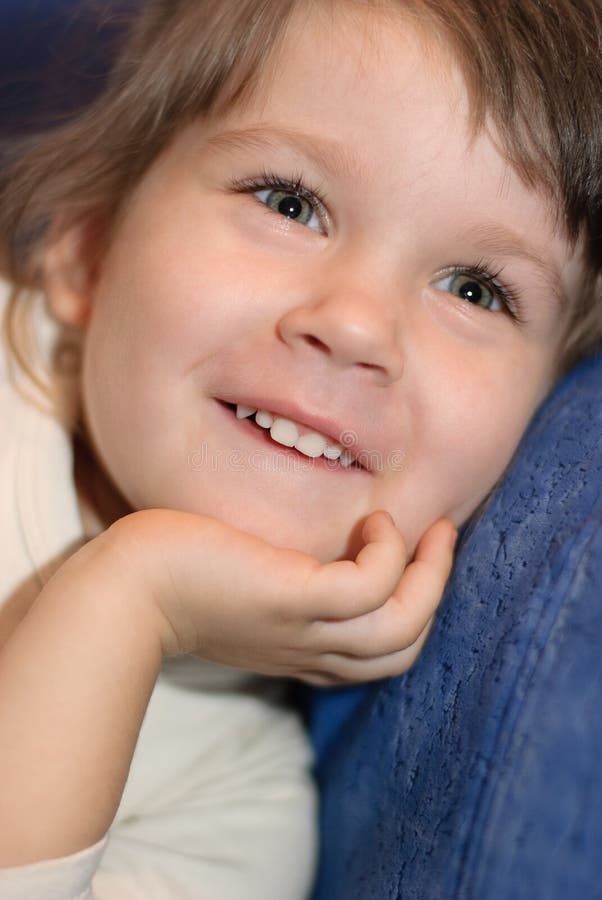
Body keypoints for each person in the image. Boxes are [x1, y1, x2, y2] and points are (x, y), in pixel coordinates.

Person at [0, 0, 600, 898]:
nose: (356, 324)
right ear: (86, 241)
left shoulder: (234, 818)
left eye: (474, 289)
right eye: (291, 203)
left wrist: (129, 597)